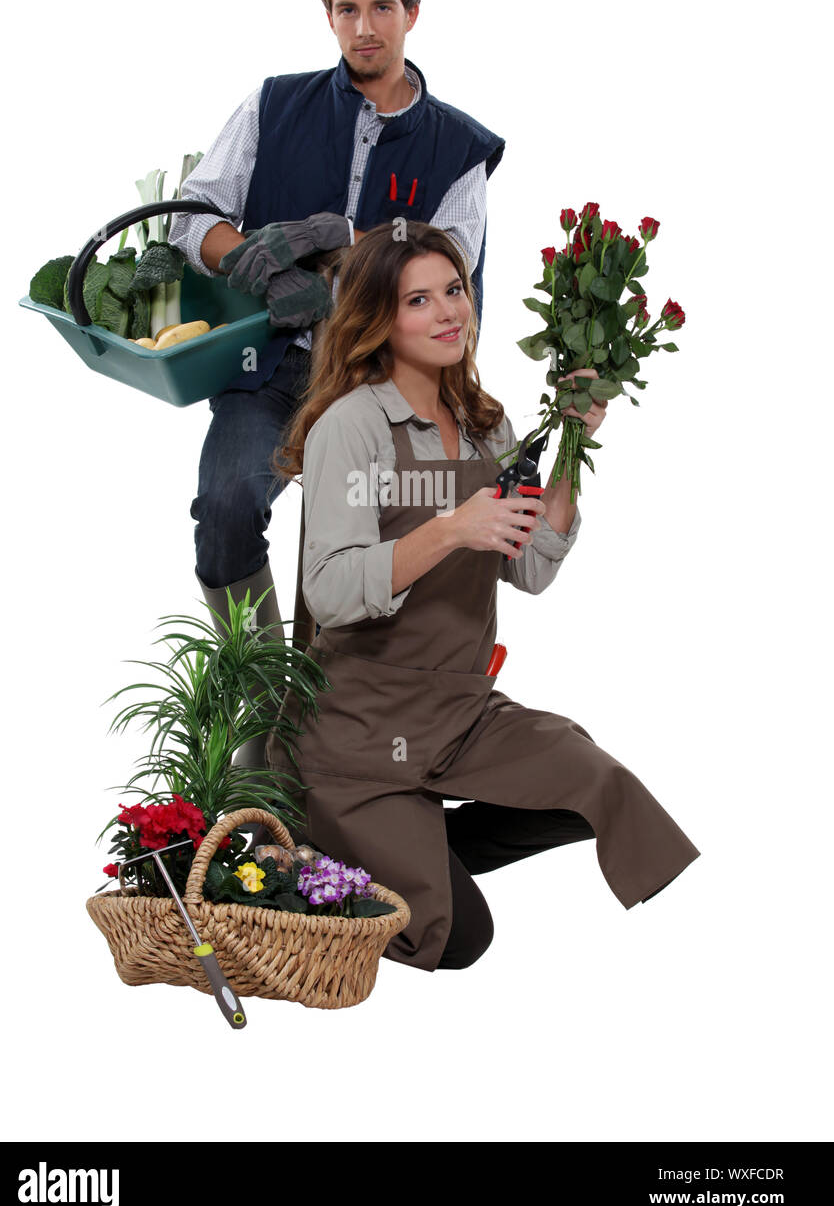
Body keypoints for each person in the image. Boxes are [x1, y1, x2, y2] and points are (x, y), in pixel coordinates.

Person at [266, 220, 701, 972]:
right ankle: (333, 843)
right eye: (418, 300)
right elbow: (331, 591)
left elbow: (530, 569)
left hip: (459, 712)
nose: (448, 313)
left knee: (592, 787)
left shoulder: (485, 425)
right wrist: (451, 527)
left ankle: (422, 847)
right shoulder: (351, 427)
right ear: (377, 319)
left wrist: (569, 445)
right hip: (362, 729)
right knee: (460, 938)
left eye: (456, 290)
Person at [168, 0, 505, 762]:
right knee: (227, 512)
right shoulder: (273, 104)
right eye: (346, 9)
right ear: (328, 15)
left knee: (358, 557)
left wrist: (340, 251)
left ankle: (352, 739)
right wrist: (243, 258)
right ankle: (265, 703)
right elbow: (191, 216)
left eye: (380, 7)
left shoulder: (458, 148)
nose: (364, 27)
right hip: (273, 366)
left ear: (411, 13)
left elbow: (454, 279)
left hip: (383, 384)